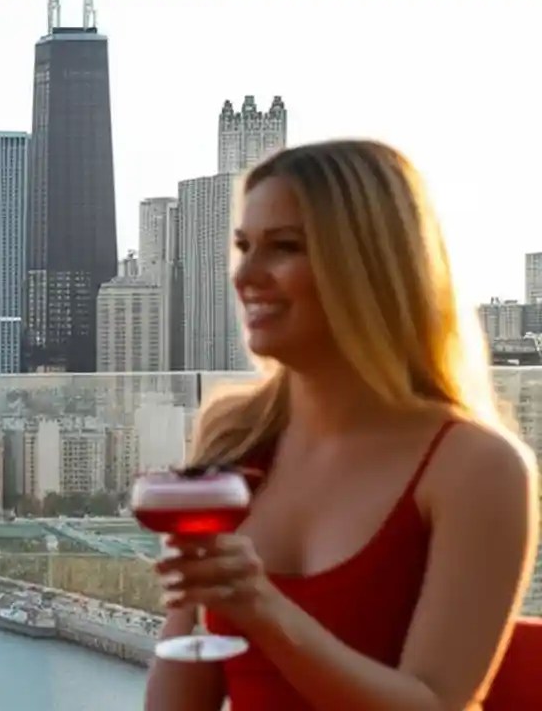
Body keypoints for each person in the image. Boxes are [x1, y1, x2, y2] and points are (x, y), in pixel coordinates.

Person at [143, 139, 538, 710]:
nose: (246, 275)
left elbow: (437, 704)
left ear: (369, 268)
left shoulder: (477, 467)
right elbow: (182, 693)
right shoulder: (235, 436)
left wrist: (263, 609)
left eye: (284, 247)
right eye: (243, 246)